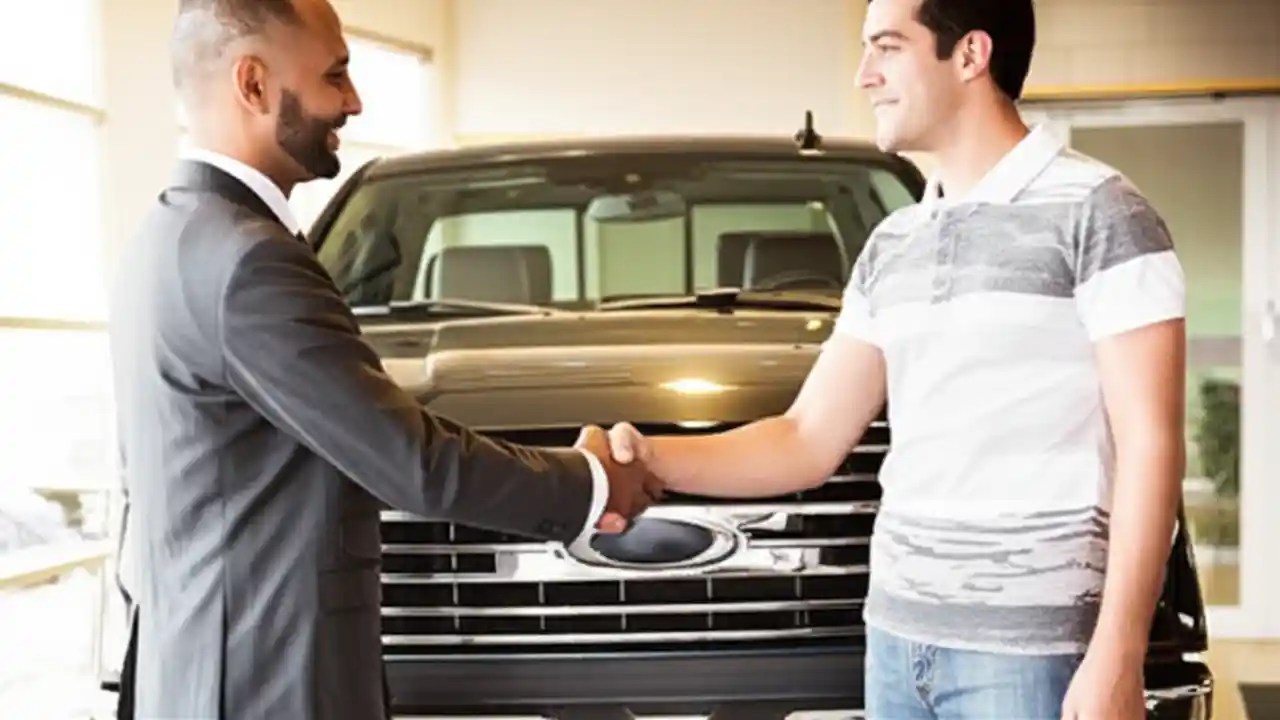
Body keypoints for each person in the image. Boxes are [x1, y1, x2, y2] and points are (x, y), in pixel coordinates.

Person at [598, 0, 1186, 718]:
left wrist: (1119, 656)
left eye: (886, 47)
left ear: (970, 54)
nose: (863, 74)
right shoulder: (894, 244)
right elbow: (807, 438)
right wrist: (650, 457)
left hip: (1031, 655)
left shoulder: (1102, 213)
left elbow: (1151, 442)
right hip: (897, 645)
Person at [106, 1, 661, 718]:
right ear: (252, 84)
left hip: (210, 671)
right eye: (335, 76)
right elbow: (412, 461)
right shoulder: (247, 262)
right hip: (267, 684)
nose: (353, 101)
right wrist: (590, 484)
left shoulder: (171, 235)